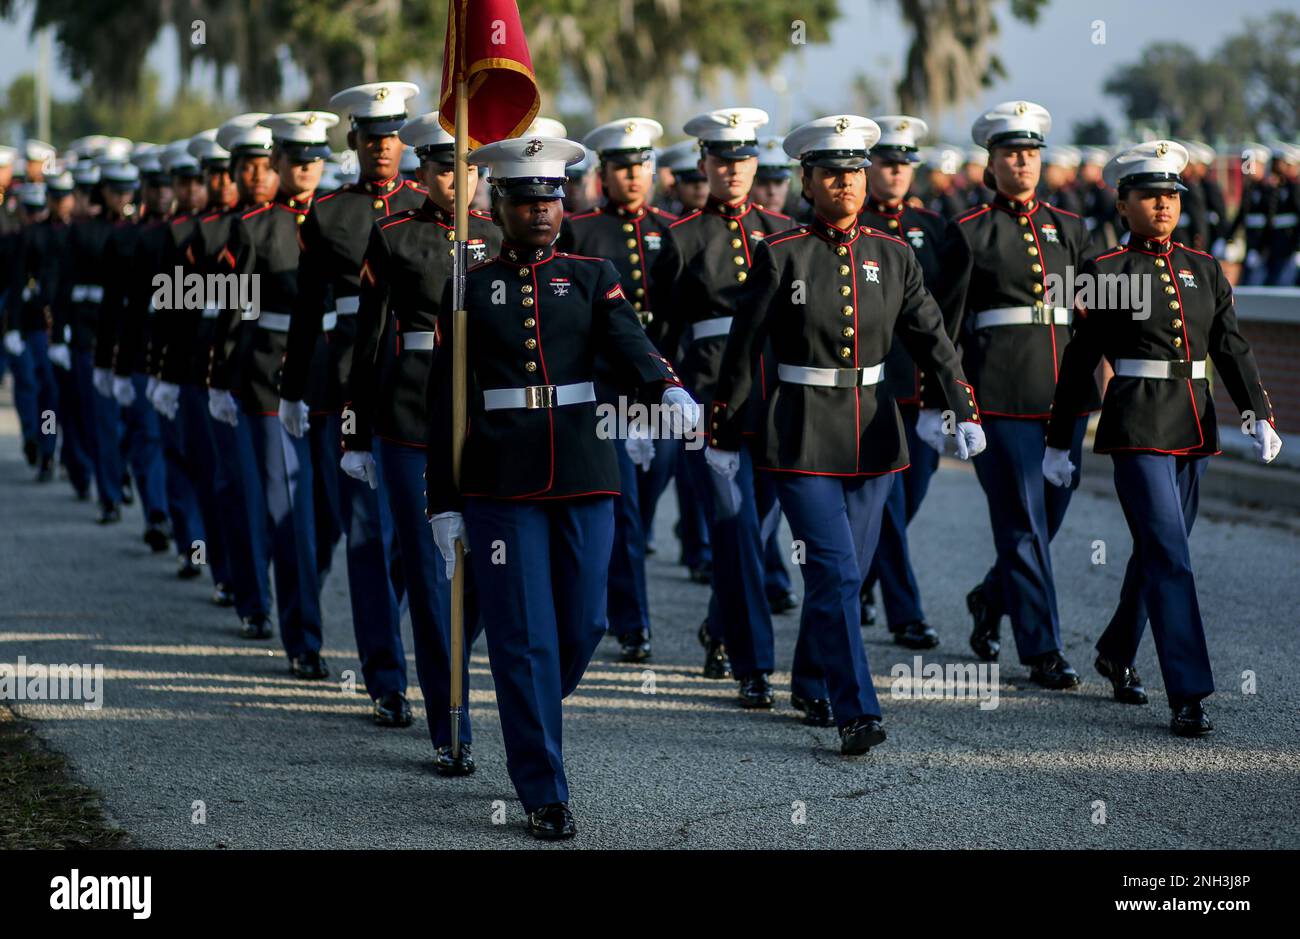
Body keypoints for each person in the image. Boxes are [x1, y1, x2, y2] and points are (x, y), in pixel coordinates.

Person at [426, 135, 693, 839]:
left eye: (550, 199)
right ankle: (544, 789)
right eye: (525, 200)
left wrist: (664, 385)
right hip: (499, 482)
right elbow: (444, 401)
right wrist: (444, 500)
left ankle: (533, 702)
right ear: (500, 205)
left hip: (582, 466)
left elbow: (629, 339)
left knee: (584, 623)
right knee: (521, 636)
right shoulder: (468, 284)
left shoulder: (592, 271)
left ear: (563, 202)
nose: (540, 213)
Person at [705, 114, 985, 748]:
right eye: (832, 174)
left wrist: (962, 408)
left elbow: (933, 339)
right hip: (800, 431)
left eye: (855, 172)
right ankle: (857, 708)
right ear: (807, 180)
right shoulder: (779, 256)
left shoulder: (896, 255)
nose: (847, 184)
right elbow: (743, 351)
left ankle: (810, 679)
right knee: (831, 570)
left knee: (849, 573)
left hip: (873, 431)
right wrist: (723, 436)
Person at [1043, 140, 1282, 736]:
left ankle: (1117, 652)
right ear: (1123, 205)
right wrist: (1058, 440)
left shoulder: (1204, 268)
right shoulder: (1103, 274)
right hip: (1138, 427)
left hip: (1194, 425)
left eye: (1171, 194)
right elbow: (1078, 363)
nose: (1164, 204)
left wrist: (1257, 412)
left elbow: (1230, 345)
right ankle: (1189, 691)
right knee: (1172, 555)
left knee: (1157, 553)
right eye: (1150, 195)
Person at [347, 110, 500, 770]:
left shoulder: (498, 238)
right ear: (423, 173)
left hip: (488, 422)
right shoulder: (393, 238)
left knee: (484, 575)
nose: (455, 180)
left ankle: (454, 675)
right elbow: (367, 341)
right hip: (410, 418)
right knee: (434, 575)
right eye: (443, 169)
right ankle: (451, 726)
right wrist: (356, 431)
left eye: (466, 168)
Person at [285, 82, 427, 711]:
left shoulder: (427, 207)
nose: (384, 148)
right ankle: (386, 679)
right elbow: (305, 309)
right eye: (372, 139)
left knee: (412, 538)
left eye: (393, 137)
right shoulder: (328, 214)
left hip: (417, 385)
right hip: (345, 384)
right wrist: (294, 390)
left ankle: (395, 639)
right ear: (355, 143)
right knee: (365, 534)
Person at [955, 100, 1096, 687]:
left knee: (1051, 514)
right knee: (1021, 522)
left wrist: (1107, 381)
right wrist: (954, 402)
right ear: (992, 161)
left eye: (1032, 152)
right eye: (1012, 153)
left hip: (1062, 393)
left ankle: (990, 598)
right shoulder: (967, 232)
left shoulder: (1071, 227)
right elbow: (946, 325)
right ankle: (1043, 650)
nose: (1024, 161)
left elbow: (1094, 314)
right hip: (1000, 396)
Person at [654, 106, 793, 701]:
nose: (732, 170)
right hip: (711, 403)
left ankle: (721, 625)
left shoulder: (785, 231)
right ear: (703, 164)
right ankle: (754, 665)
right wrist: (660, 400)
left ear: (755, 162)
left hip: (778, 397)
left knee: (757, 533)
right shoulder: (682, 238)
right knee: (734, 531)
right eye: (721, 160)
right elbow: (659, 330)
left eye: (742, 159)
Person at [558, 116, 677, 663]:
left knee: (649, 506)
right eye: (622, 167)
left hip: (663, 385)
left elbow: (676, 314)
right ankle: (632, 623)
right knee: (623, 509)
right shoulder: (581, 230)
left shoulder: (668, 229)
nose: (633, 176)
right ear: (603, 174)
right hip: (606, 389)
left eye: (641, 167)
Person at [857, 114, 972, 649]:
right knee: (887, 505)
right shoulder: (853, 229)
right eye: (886, 161)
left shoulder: (938, 227)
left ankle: (859, 582)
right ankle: (906, 614)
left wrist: (948, 390)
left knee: (912, 495)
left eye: (905, 162)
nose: (896, 171)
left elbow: (950, 314)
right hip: (872, 387)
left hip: (923, 387)